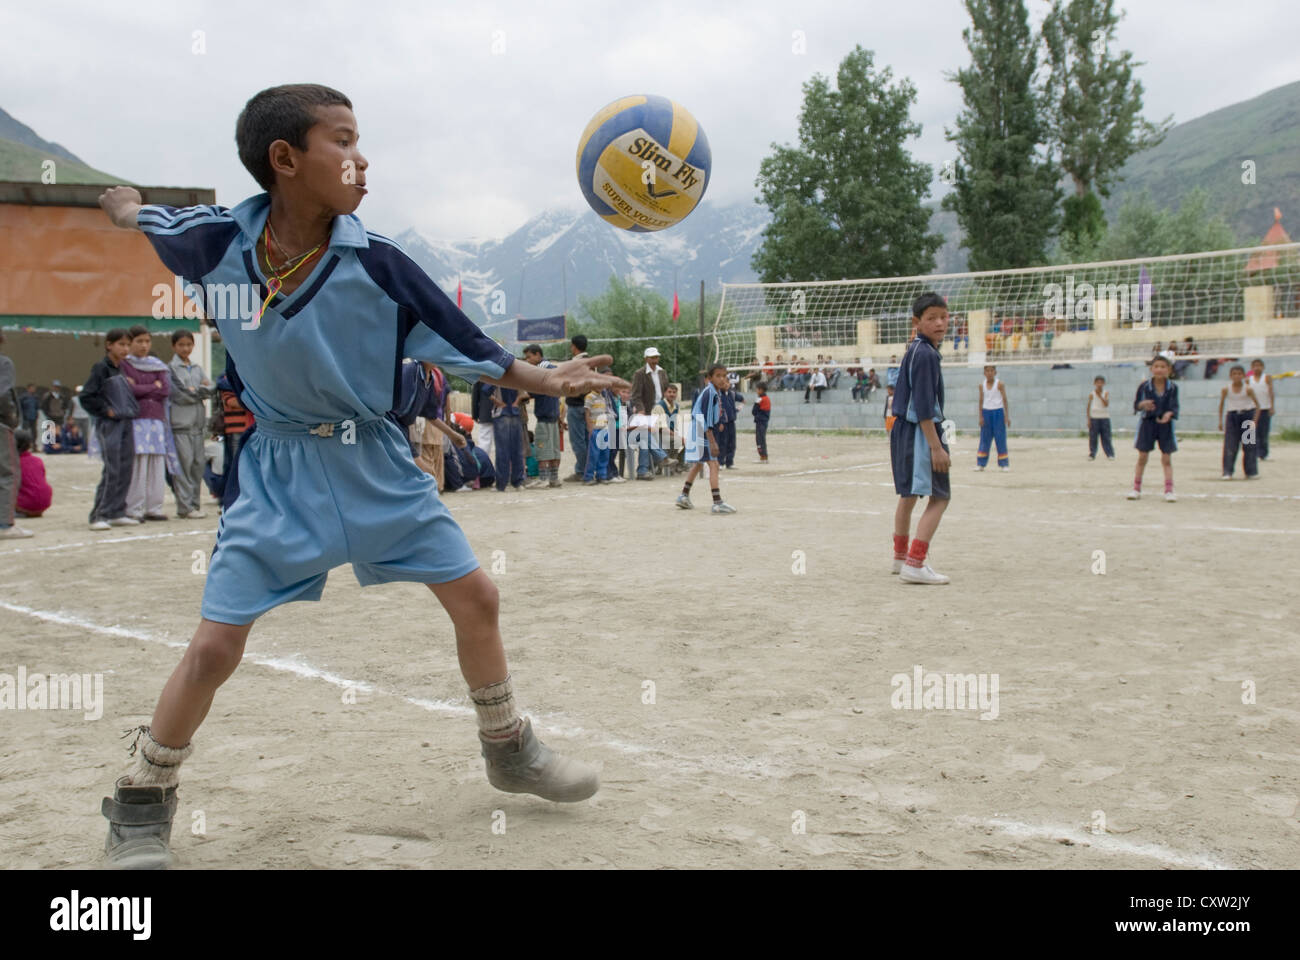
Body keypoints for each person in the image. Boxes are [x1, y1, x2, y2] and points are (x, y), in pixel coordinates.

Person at [94, 83, 626, 869]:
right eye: (341, 140)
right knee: (214, 649)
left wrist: (550, 380)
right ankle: (141, 799)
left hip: (376, 459)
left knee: (477, 595)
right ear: (285, 159)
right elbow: (144, 218)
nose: (361, 156)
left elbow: (469, 344)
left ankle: (509, 746)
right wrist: (124, 202)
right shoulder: (212, 245)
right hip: (276, 472)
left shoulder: (380, 266)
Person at [890, 292, 951, 585]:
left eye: (944, 316)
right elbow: (925, 407)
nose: (940, 323)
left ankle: (900, 558)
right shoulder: (925, 354)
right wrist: (936, 447)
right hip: (919, 431)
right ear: (917, 322)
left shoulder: (916, 349)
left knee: (909, 496)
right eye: (932, 318)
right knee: (940, 496)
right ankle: (915, 562)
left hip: (903, 429)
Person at [80, 328, 140, 531]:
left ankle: (117, 511)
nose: (125, 349)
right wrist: (106, 411)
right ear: (109, 345)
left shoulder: (122, 368)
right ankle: (99, 514)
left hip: (126, 423)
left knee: (125, 467)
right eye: (121, 344)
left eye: (127, 345)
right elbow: (87, 396)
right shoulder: (101, 368)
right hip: (110, 425)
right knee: (112, 469)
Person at [120, 325, 176, 521]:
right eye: (139, 341)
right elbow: (129, 389)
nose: (144, 345)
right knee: (139, 465)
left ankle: (154, 508)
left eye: (147, 341)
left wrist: (142, 388)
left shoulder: (158, 365)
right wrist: (153, 387)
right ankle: (134, 508)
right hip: (137, 421)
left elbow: (165, 390)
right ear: (131, 342)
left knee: (156, 465)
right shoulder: (125, 365)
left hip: (157, 422)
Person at [169, 329, 217, 518]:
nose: (185, 348)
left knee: (197, 465)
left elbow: (212, 387)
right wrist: (200, 390)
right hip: (180, 424)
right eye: (181, 345)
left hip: (198, 425)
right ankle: (184, 506)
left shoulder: (197, 368)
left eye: (189, 344)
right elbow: (180, 395)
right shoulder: (170, 369)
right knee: (184, 465)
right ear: (174, 346)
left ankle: (194, 505)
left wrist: (196, 390)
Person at [675, 363, 735, 513]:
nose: (722, 379)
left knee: (699, 464)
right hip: (703, 432)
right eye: (718, 376)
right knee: (713, 464)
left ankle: (683, 496)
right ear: (709, 378)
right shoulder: (710, 393)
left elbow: (710, 414)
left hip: (701, 431)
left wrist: (719, 422)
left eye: (724, 376)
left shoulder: (715, 392)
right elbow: (702, 416)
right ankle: (717, 502)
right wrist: (712, 441)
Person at [1128, 354, 1179, 502]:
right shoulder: (1144, 387)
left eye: (1163, 367)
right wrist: (1143, 404)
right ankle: (1136, 488)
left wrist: (1168, 415)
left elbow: (1175, 407)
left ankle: (1169, 490)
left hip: (1166, 426)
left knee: (1166, 458)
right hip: (1147, 423)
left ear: (1169, 370)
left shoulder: (1173, 388)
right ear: (1151, 369)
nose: (1159, 369)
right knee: (1142, 456)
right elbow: (1136, 405)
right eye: (1156, 366)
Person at [0, 333, 30, 540]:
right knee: (7, 473)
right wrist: (10, 421)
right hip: (1, 424)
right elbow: (3, 394)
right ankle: (5, 524)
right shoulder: (4, 363)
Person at [522, 345, 562, 487]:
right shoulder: (554, 368)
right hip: (554, 415)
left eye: (529, 357)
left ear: (538, 355)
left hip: (544, 416)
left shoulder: (540, 371)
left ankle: (543, 480)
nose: (528, 360)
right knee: (554, 450)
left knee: (543, 448)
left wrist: (520, 397)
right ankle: (554, 478)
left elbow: (532, 392)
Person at [1219, 365, 1261, 480]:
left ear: (1243, 375)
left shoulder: (1248, 389)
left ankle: (1251, 472)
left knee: (1249, 446)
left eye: (1239, 374)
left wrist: (1255, 421)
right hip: (1232, 416)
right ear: (1230, 376)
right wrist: (1220, 421)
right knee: (1230, 445)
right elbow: (1221, 404)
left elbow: (1258, 406)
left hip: (1247, 416)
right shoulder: (1226, 389)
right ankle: (1227, 471)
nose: (1237, 376)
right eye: (1234, 374)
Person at [491, 378, 526, 493]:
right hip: (513, 413)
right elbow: (524, 393)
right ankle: (518, 482)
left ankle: (502, 484)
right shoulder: (516, 376)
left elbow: (486, 391)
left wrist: (499, 403)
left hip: (502, 413)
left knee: (503, 450)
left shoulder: (494, 375)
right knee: (516, 449)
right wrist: (516, 403)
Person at [975, 365, 1010, 471]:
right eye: (987, 371)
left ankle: (1004, 464)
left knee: (1000, 438)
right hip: (986, 412)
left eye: (991, 371)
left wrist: (1006, 416)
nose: (989, 373)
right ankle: (981, 463)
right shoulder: (982, 385)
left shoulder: (999, 384)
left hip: (998, 412)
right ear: (984, 373)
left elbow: (1004, 399)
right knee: (984, 439)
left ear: (995, 372)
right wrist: (980, 416)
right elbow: (981, 400)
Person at [565, 334, 590, 480]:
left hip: (576, 405)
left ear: (574, 346)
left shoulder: (574, 364)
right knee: (586, 439)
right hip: (589, 405)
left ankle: (582, 470)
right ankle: (588, 468)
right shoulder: (591, 362)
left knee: (577, 441)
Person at [14, 429, 52, 518]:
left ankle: (20, 511)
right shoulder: (38, 460)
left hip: (26, 503)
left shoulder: (13, 463)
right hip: (44, 503)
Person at [582, 371, 612, 484]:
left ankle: (601, 475)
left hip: (604, 429)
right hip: (595, 428)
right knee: (593, 454)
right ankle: (588, 476)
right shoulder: (590, 397)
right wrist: (590, 427)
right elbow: (587, 412)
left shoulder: (602, 397)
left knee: (605, 453)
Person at [1246, 359, 1275, 460]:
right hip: (1252, 409)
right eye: (1255, 366)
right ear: (1251, 367)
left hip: (1264, 408)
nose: (1257, 368)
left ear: (1263, 367)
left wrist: (1272, 406)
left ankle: (1263, 453)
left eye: (1259, 366)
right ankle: (1253, 452)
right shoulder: (1248, 379)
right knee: (1253, 431)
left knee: (1263, 432)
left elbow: (1271, 392)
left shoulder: (1267, 378)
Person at [1085, 376, 1115, 460]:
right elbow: (1088, 406)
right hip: (1094, 417)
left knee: (1106, 437)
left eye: (1101, 382)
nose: (1099, 384)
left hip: (1104, 417)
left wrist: (1099, 395)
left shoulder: (1105, 393)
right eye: (1097, 382)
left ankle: (1110, 454)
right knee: (1093, 437)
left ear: (1104, 383)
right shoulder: (1092, 394)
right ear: (1094, 383)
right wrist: (1088, 419)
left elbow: (1106, 404)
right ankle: (1092, 454)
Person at [654, 383, 681, 475]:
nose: (672, 394)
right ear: (664, 393)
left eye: (674, 392)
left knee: (691, 440)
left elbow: (677, 423)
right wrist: (678, 436)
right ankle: (667, 464)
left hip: (670, 434)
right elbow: (663, 428)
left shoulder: (676, 406)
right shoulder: (659, 406)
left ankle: (678, 464)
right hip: (659, 435)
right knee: (677, 440)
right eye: (669, 392)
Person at [717, 378, 742, 468]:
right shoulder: (718, 395)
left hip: (731, 421)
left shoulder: (732, 394)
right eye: (724, 383)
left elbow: (742, 399)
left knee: (732, 443)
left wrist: (737, 409)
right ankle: (720, 462)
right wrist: (720, 422)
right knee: (723, 442)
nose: (726, 385)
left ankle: (729, 462)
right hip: (723, 423)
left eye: (727, 383)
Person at [752, 380, 771, 463]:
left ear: (761, 390)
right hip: (764, 421)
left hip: (760, 422)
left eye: (757, 389)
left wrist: (757, 415)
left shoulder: (760, 399)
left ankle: (763, 456)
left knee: (759, 439)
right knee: (762, 438)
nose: (756, 391)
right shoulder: (767, 398)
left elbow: (753, 411)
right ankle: (764, 456)